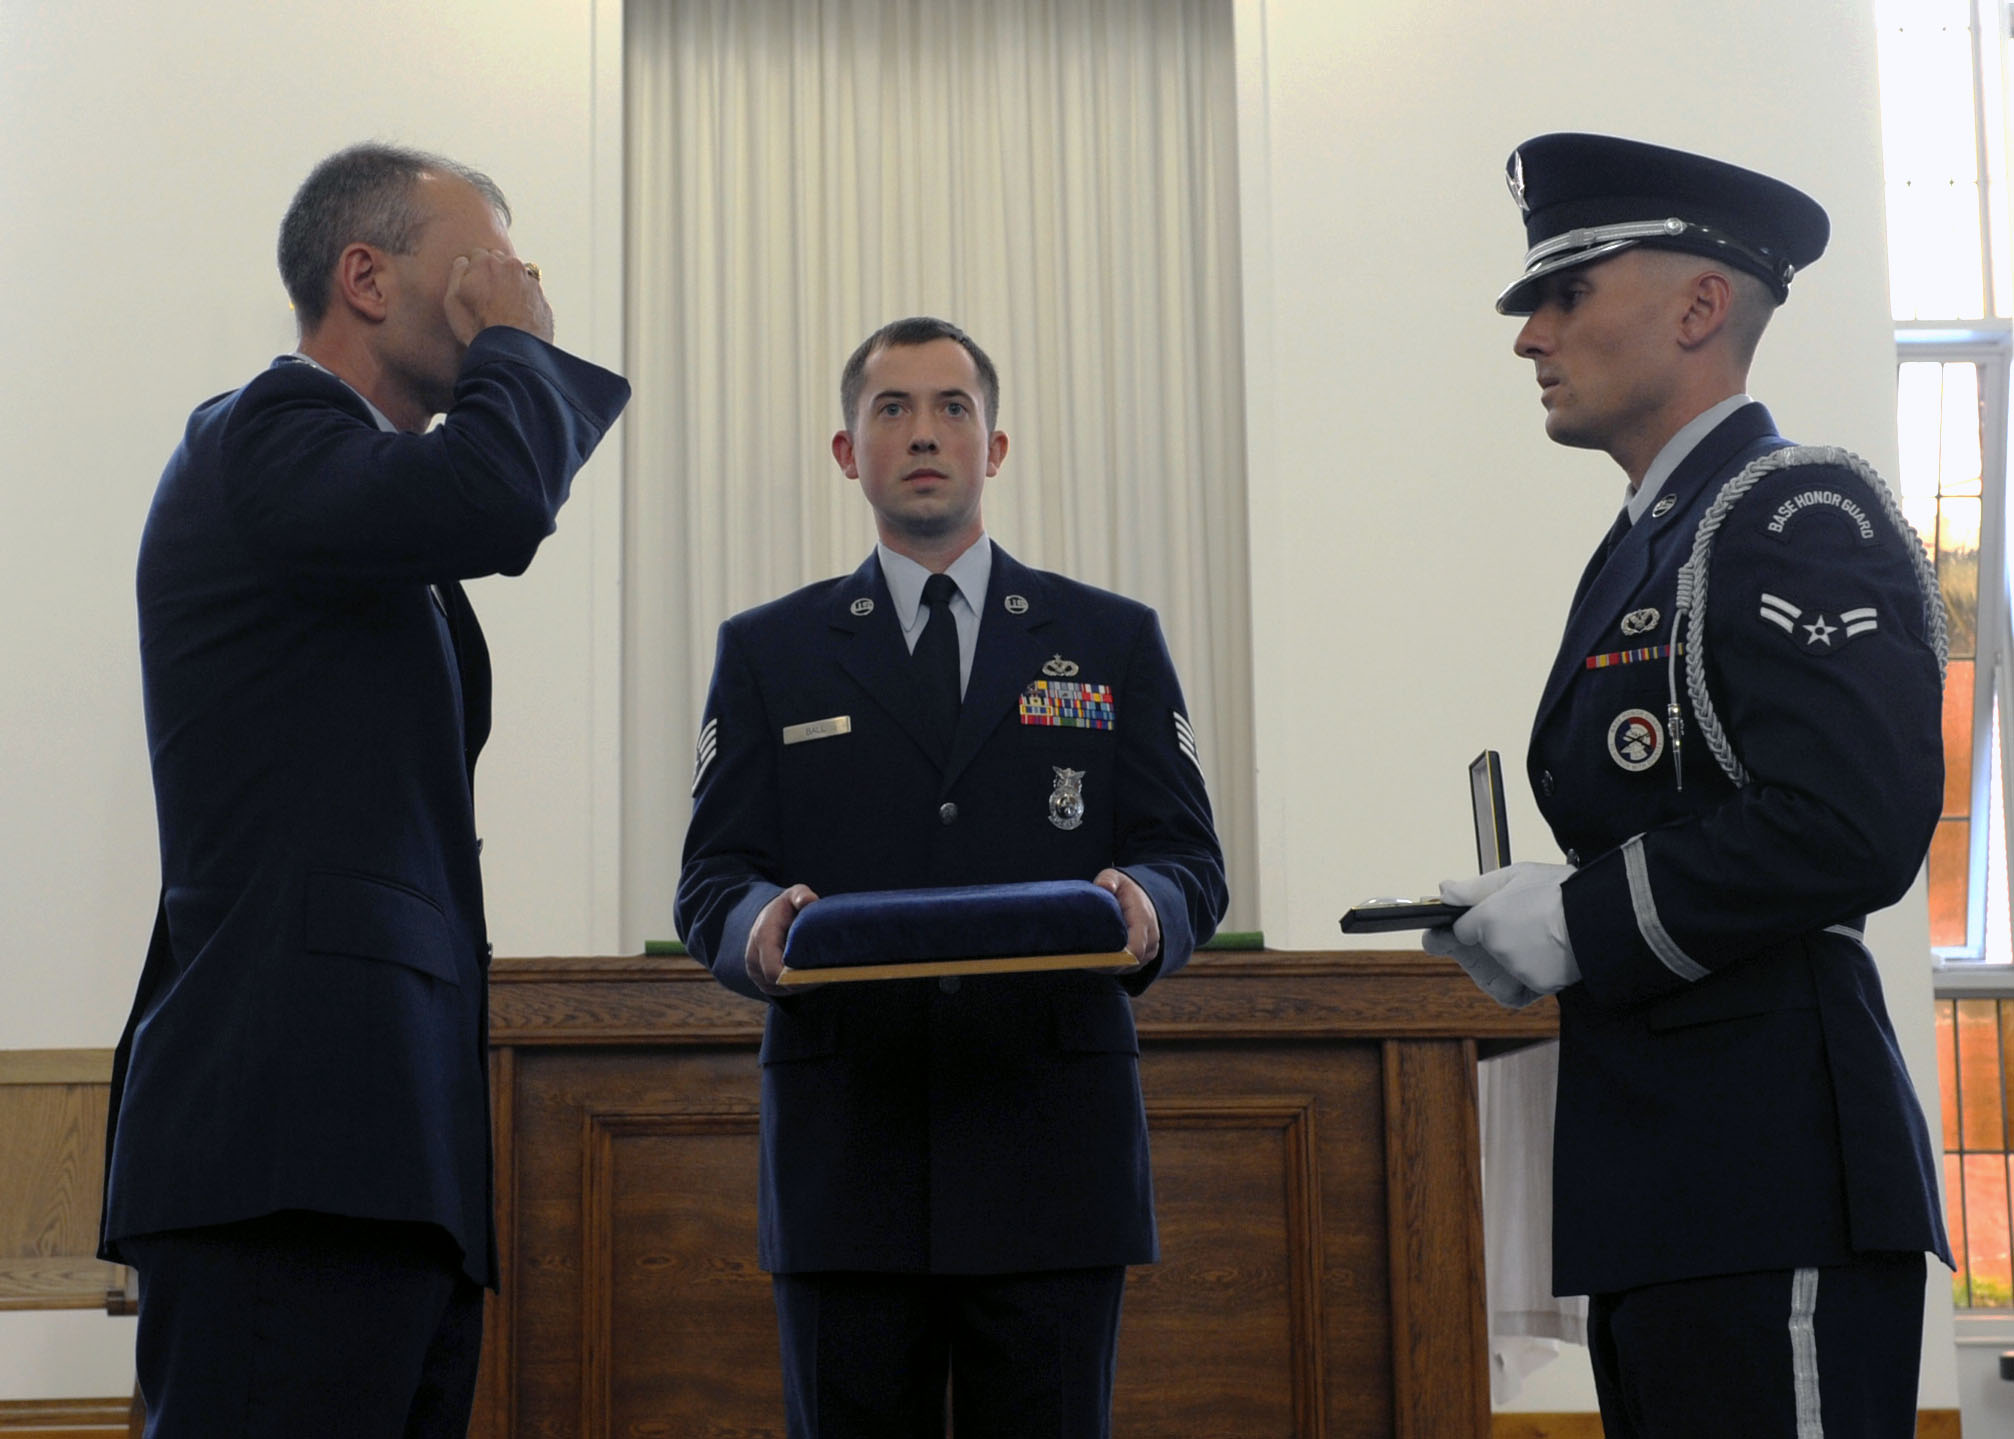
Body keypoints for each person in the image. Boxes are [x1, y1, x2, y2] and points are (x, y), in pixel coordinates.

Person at [99, 143, 631, 1437]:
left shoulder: (362, 509)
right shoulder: (262, 431)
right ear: (367, 277)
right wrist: (520, 344)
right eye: (482, 266)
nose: (514, 290)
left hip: (389, 1151)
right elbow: (497, 496)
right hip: (286, 1141)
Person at [1425, 133, 1953, 1438]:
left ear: (1698, 305)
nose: (1529, 335)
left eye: (1565, 294)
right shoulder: (1645, 542)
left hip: (1770, 1164)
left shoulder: (1792, 511)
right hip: (1665, 1174)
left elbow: (1850, 821)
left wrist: (1581, 916)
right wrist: (1542, 912)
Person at [676, 316, 1225, 1438]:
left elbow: (1188, 859)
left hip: (1050, 1154)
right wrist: (759, 931)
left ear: (996, 445)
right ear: (847, 452)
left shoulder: (1109, 638)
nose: (924, 433)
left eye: (951, 408)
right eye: (892, 409)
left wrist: (1146, 909)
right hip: (848, 1157)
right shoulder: (769, 651)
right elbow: (713, 880)